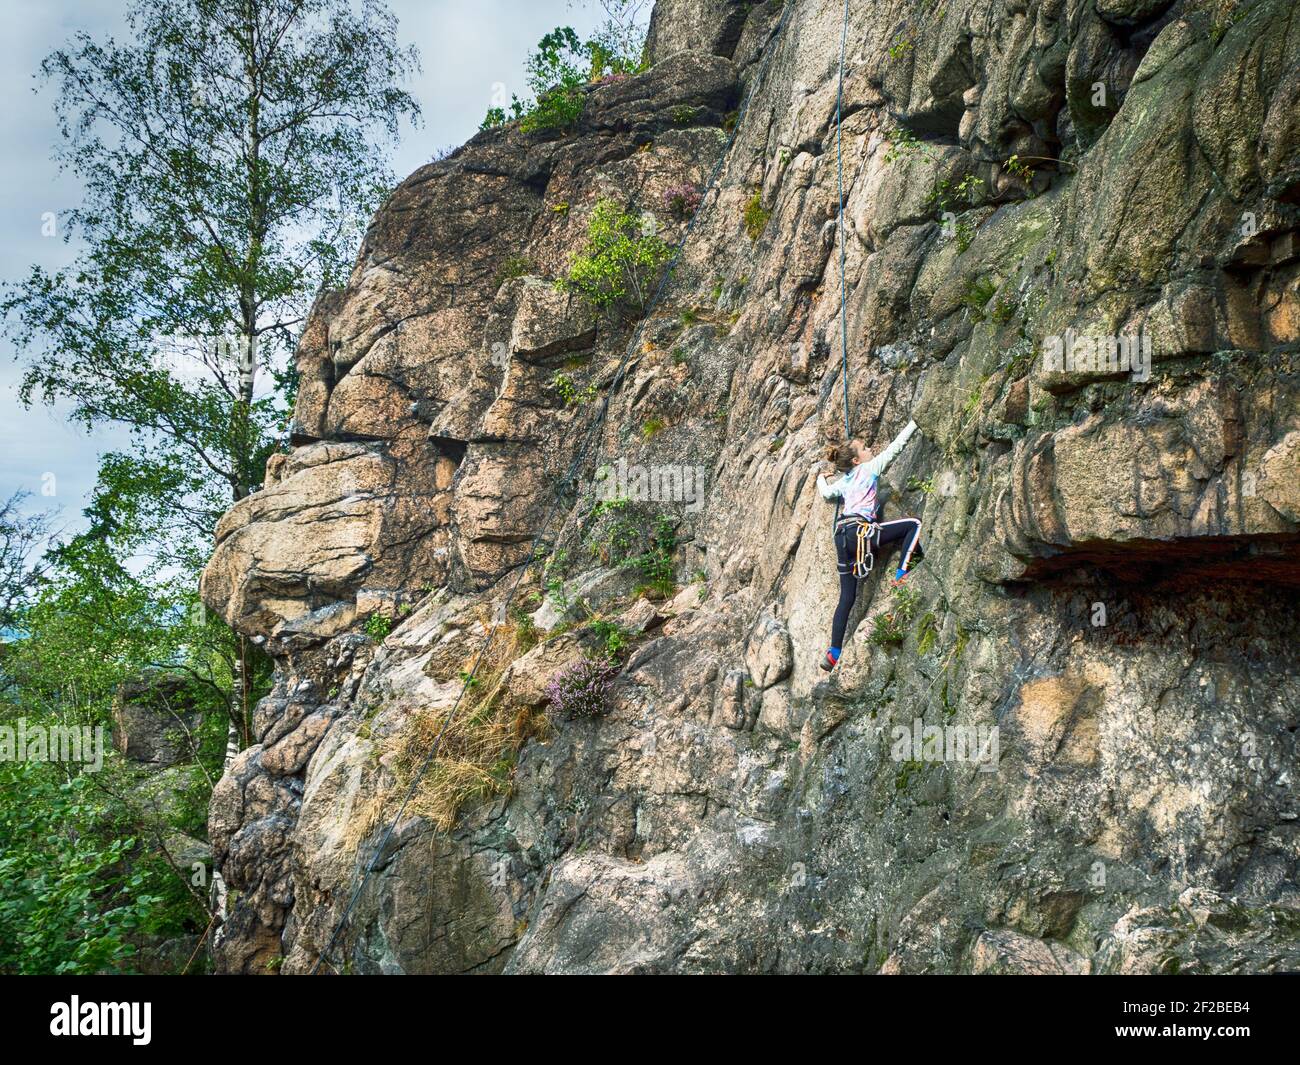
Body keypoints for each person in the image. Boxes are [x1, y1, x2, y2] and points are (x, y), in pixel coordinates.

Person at [813, 420, 923, 672]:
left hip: (842, 536)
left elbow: (826, 493)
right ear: (856, 460)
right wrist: (914, 423)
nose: (869, 449)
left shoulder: (844, 482)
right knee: (914, 524)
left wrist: (821, 478)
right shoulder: (869, 469)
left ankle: (833, 653)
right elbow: (896, 448)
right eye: (864, 448)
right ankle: (902, 574)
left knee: (846, 597)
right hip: (860, 533)